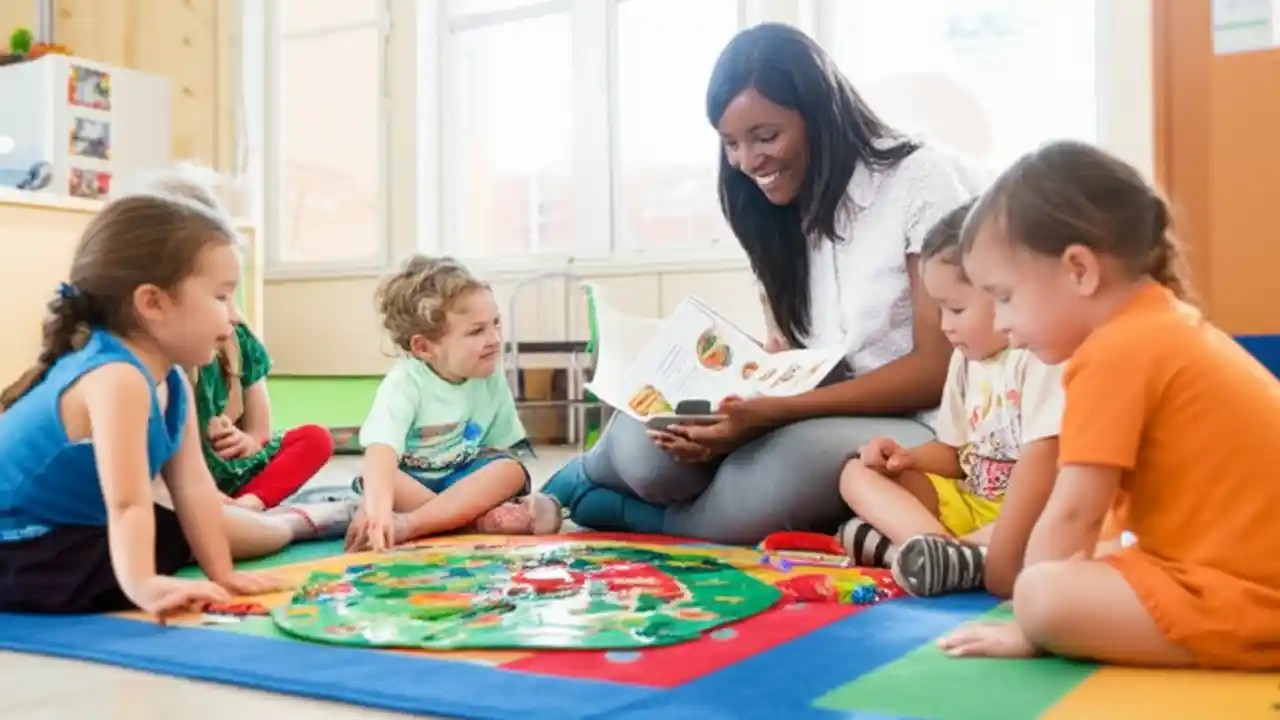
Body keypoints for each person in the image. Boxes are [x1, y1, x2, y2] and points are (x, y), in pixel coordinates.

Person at [545, 22, 979, 544]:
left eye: (766, 137)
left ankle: (615, 509)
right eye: (731, 143)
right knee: (651, 448)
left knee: (776, 478)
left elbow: (934, 370)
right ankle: (585, 477)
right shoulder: (767, 207)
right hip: (803, 403)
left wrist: (772, 413)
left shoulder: (917, 179)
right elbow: (788, 351)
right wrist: (738, 383)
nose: (749, 162)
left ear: (819, 115)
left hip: (909, 419)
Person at [937, 141, 1280, 670]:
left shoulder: (1115, 352)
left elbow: (1076, 510)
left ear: (1079, 270)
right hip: (1237, 571)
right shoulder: (1159, 322)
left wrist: (1031, 623)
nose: (1000, 321)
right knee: (1085, 565)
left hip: (1250, 594)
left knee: (1043, 594)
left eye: (1004, 296)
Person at [0, 187, 345, 616]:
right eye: (221, 297)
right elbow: (127, 502)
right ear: (153, 303)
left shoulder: (173, 380)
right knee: (153, 533)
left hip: (66, 530)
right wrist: (142, 584)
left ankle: (283, 527)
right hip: (19, 544)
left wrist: (222, 573)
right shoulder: (117, 377)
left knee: (171, 526)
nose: (233, 317)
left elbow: (193, 486)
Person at [837, 201, 1062, 597]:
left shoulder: (1038, 357)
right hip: (970, 506)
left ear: (1001, 293)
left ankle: (941, 556)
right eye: (939, 310)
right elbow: (954, 453)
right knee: (856, 474)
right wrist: (906, 459)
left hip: (1026, 511)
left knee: (859, 536)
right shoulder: (964, 360)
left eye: (956, 309)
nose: (945, 326)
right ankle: (945, 553)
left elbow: (1048, 471)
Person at [344, 256, 561, 552]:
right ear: (424, 348)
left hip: (461, 480)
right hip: (414, 483)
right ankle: (463, 522)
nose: (494, 339)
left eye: (495, 324)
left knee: (510, 470)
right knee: (378, 475)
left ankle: (413, 524)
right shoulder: (406, 382)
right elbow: (381, 449)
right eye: (476, 331)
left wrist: (501, 488)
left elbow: (502, 450)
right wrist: (378, 510)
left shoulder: (489, 373)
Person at [193, 300, 334, 511]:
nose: (233, 315)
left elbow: (260, 431)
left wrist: (247, 441)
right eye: (220, 297)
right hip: (188, 485)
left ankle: (247, 504)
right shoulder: (166, 368)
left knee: (315, 439)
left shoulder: (239, 341)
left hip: (235, 474)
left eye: (230, 298)